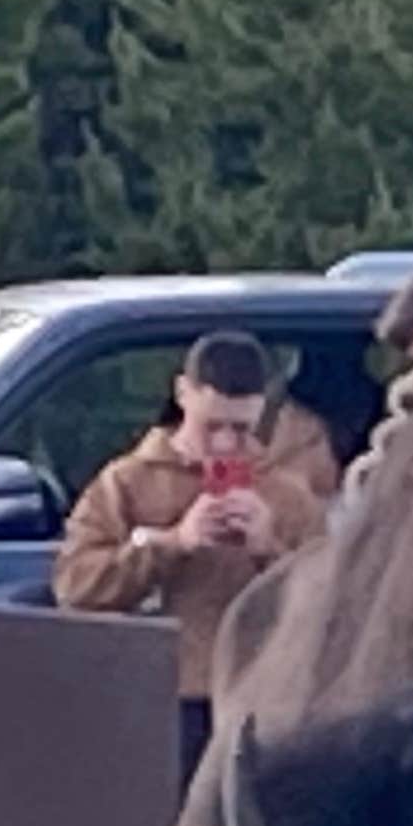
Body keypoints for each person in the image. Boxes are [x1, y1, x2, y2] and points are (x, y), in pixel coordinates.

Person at [52, 329, 323, 789]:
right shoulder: (126, 483)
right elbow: (76, 588)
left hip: (260, 698)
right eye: (210, 426)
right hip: (164, 700)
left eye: (240, 430)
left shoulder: (287, 493)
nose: (223, 444)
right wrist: (171, 543)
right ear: (183, 394)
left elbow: (330, 602)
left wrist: (269, 550)